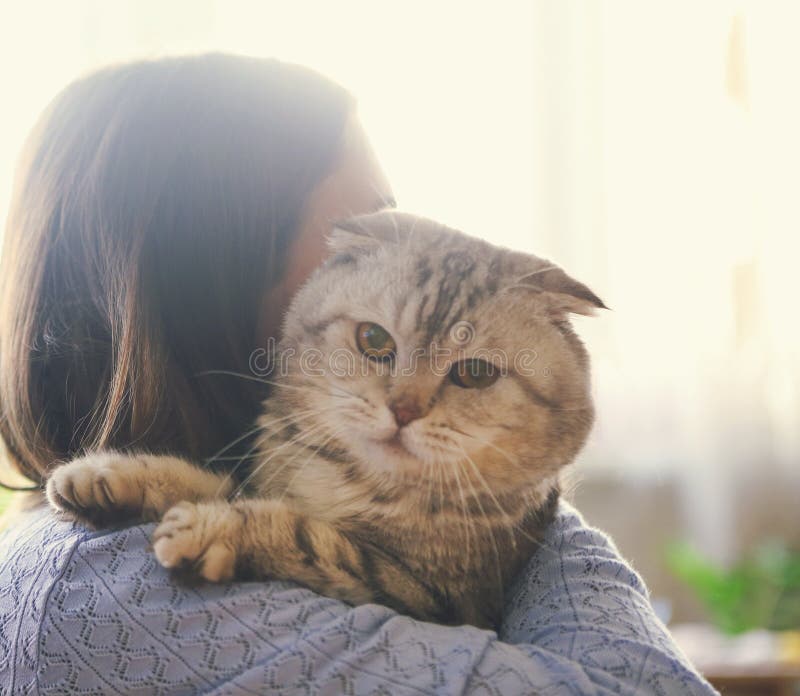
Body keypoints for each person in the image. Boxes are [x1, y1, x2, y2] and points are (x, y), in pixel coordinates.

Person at [0, 54, 717, 695]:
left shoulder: (238, 476)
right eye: (369, 227)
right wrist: (516, 491)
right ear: (207, 269)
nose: (404, 251)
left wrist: (517, 479)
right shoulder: (112, 597)